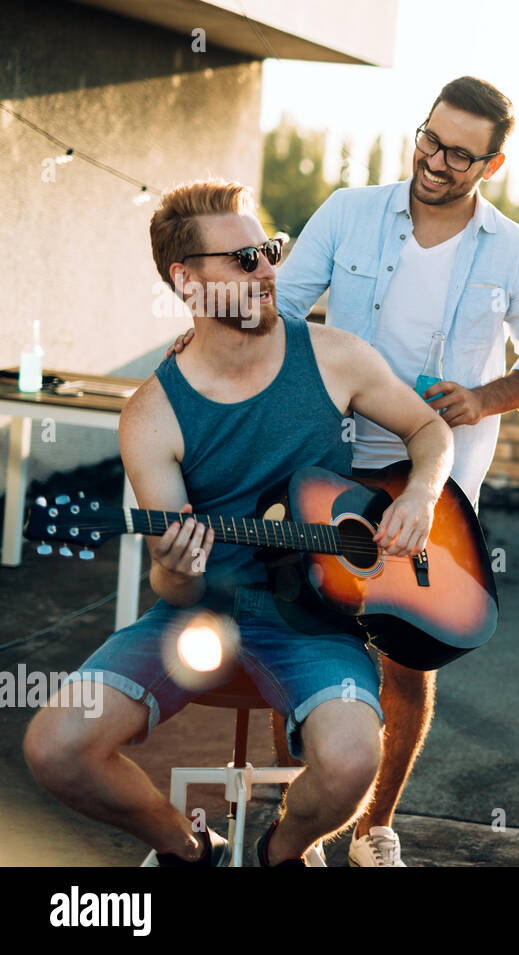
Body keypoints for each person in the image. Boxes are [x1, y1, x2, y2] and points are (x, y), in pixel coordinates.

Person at [166, 76, 519, 867]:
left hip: (436, 476)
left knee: (407, 655)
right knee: (312, 623)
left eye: (461, 154)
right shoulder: (350, 211)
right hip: (331, 461)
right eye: (431, 139)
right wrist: (215, 347)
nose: (438, 161)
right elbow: (281, 311)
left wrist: (485, 396)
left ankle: (374, 824)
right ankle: (304, 814)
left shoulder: (515, 253)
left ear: (490, 165)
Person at [23, 178, 454, 867]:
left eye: (269, 251)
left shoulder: (333, 356)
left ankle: (280, 850)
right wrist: (175, 566)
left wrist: (421, 494)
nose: (268, 272)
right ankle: (188, 847)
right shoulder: (152, 415)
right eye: (243, 260)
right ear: (187, 281)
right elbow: (175, 590)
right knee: (54, 746)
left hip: (316, 617)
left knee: (349, 764)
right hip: (198, 620)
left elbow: (430, 429)